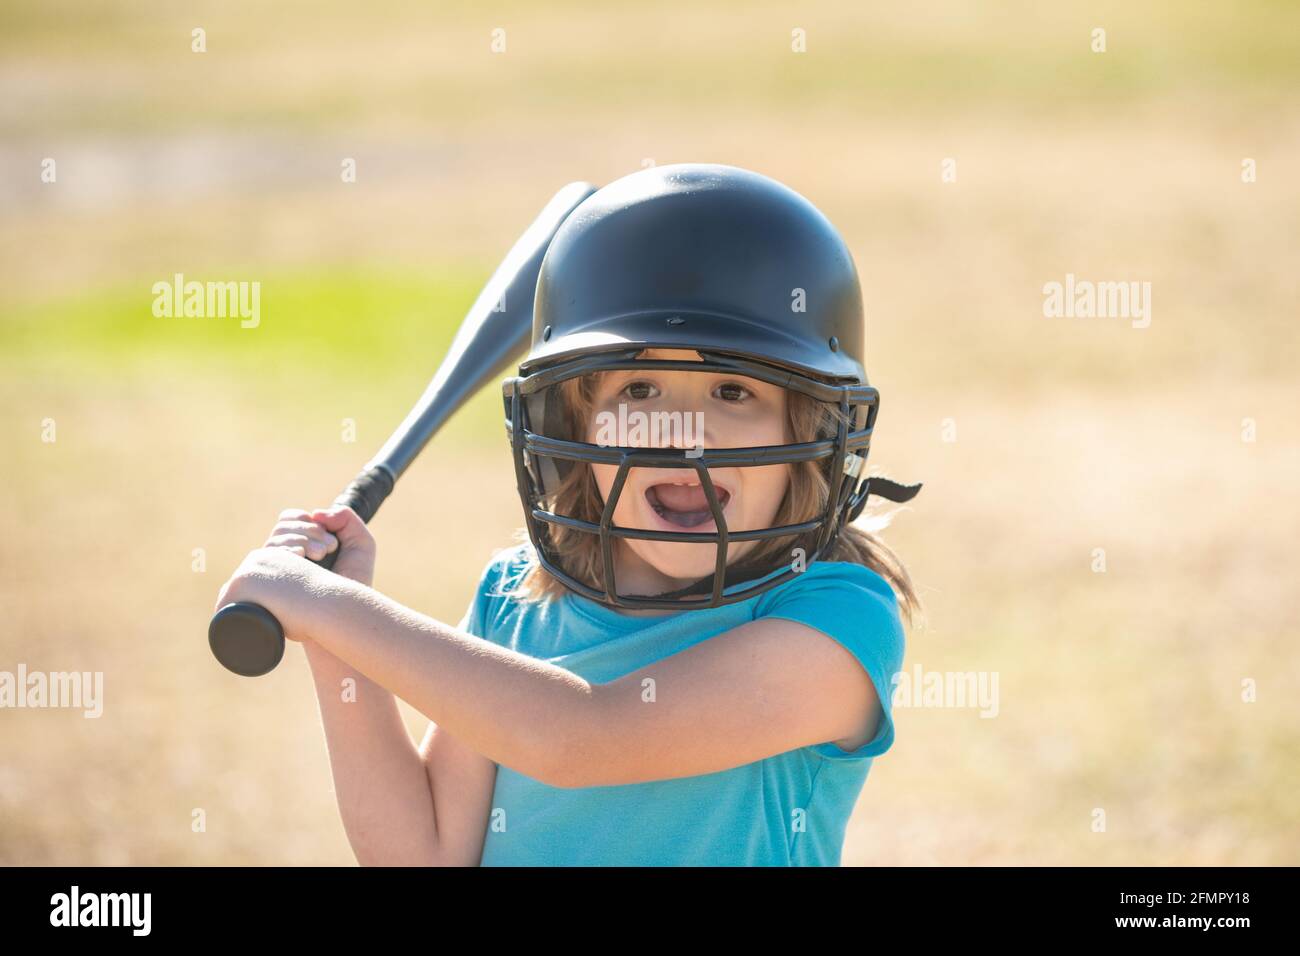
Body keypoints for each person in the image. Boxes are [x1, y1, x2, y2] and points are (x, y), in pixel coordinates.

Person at [215, 163, 924, 865]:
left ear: (812, 434)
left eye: (734, 393)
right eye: (639, 387)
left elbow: (579, 736)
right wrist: (335, 632)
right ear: (575, 423)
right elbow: (423, 854)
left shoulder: (837, 619)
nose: (679, 431)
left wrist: (324, 605)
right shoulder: (516, 598)